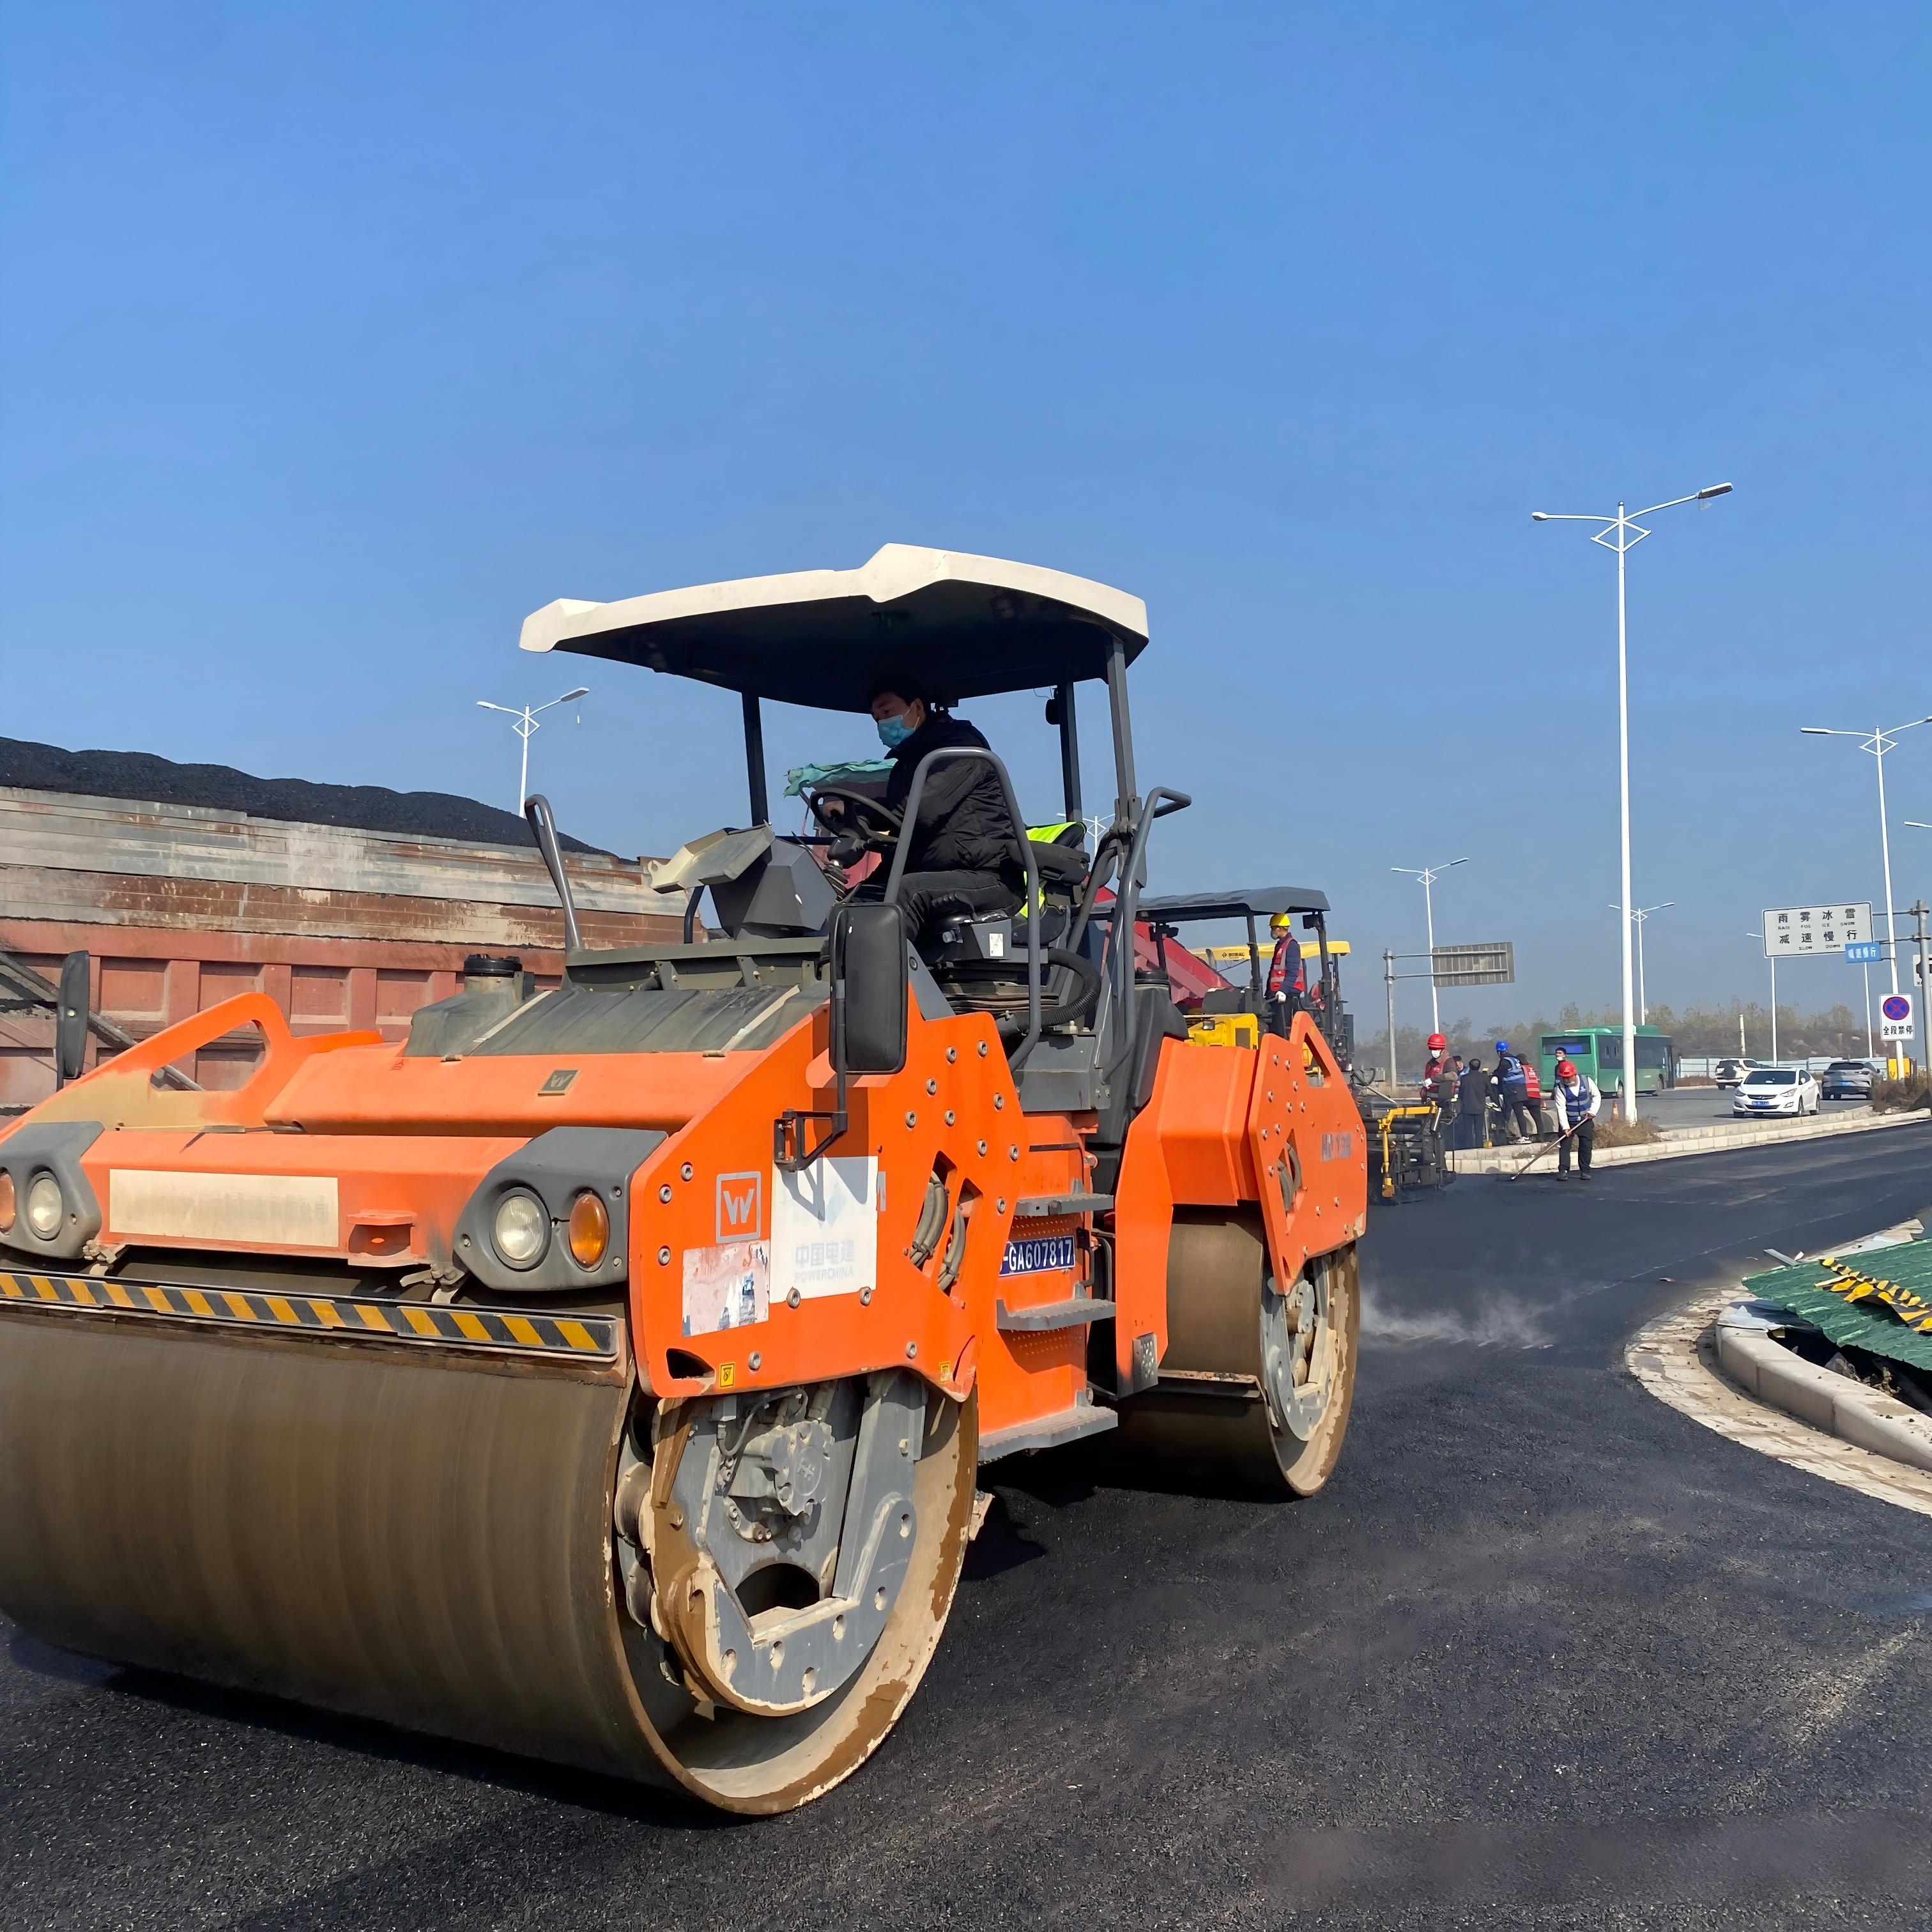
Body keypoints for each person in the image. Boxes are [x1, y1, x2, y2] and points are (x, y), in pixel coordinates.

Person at [848, 683, 1021, 941]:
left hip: (987, 876)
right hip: (931, 872)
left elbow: (920, 809)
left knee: (908, 892)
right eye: (877, 719)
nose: (882, 724)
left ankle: (881, 968)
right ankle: (828, 964)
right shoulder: (905, 766)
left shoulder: (960, 749)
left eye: (887, 712)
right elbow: (898, 816)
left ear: (917, 707)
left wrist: (861, 811)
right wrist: (852, 814)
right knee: (855, 900)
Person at [1551, 1056, 1602, 1179]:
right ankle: (1563, 1170)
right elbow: (1561, 1109)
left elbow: (1597, 1096)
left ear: (1574, 1074)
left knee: (1586, 1146)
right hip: (1569, 1121)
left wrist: (1592, 1111)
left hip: (1585, 1120)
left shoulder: (1587, 1081)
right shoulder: (1560, 1089)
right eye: (1564, 1078)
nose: (1567, 1080)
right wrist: (1565, 1127)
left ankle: (1585, 1171)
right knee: (1565, 1146)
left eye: (1569, 1077)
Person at [1492, 1039, 1540, 1143]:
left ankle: (1524, 1136)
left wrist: (1493, 1075)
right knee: (1519, 1112)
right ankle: (1525, 1135)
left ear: (1499, 1052)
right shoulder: (1514, 1059)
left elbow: (1500, 1073)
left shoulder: (1505, 1061)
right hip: (1521, 1088)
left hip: (1513, 1089)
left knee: (1518, 1113)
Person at [1266, 914, 1307, 1018]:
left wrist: (1283, 991)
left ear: (1279, 928)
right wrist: (1268, 993)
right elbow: (1273, 971)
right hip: (1276, 993)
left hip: (1287, 994)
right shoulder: (1280, 945)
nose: (1271, 931)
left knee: (1281, 1025)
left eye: (1272, 928)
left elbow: (1293, 972)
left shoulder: (1292, 945)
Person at [1457, 1056, 1490, 1149]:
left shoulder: (1464, 1078)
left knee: (1468, 1130)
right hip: (1480, 1108)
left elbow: (1461, 1093)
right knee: (1479, 1130)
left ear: (1470, 1067)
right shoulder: (1484, 1077)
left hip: (1467, 1107)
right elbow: (1489, 1091)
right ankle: (1479, 1147)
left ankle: (1468, 1148)